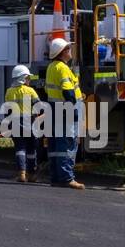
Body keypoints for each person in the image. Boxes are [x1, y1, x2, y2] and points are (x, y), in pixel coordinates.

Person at [44, 36, 84, 189]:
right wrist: (73, 107)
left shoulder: (51, 67)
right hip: (66, 110)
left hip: (55, 109)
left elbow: (48, 90)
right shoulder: (63, 68)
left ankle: (56, 177)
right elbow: (68, 92)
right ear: (62, 52)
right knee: (67, 144)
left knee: (55, 144)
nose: (70, 50)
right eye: (68, 48)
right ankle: (67, 178)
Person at [3, 64, 39, 183]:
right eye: (28, 78)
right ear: (23, 78)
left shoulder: (9, 92)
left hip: (15, 124)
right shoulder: (30, 91)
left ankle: (22, 173)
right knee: (31, 150)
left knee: (20, 149)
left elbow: (6, 111)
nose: (29, 80)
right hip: (30, 124)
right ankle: (32, 174)